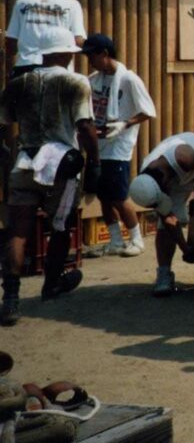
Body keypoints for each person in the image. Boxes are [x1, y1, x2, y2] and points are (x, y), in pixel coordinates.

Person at [0, 28, 100, 326]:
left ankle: (11, 299)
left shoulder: (19, 83)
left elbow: (3, 121)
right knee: (61, 225)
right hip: (60, 164)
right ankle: (52, 283)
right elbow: (85, 126)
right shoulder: (75, 82)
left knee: (18, 231)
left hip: (26, 161)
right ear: (63, 53)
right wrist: (94, 162)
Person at [81, 34, 157, 258]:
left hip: (119, 145)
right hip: (99, 143)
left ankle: (136, 239)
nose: (90, 61)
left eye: (92, 56)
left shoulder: (129, 80)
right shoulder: (95, 79)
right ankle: (115, 240)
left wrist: (125, 124)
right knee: (103, 195)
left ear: (105, 54)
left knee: (118, 195)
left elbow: (148, 111)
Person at [127, 132, 194, 296]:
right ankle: (164, 274)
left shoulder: (185, 156)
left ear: (163, 182)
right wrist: (186, 249)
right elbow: (167, 217)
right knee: (164, 226)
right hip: (175, 180)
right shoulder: (147, 180)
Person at [5, 0, 86, 78]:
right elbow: (78, 40)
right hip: (59, 67)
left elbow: (11, 41)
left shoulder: (22, 1)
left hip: (26, 66)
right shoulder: (72, 3)